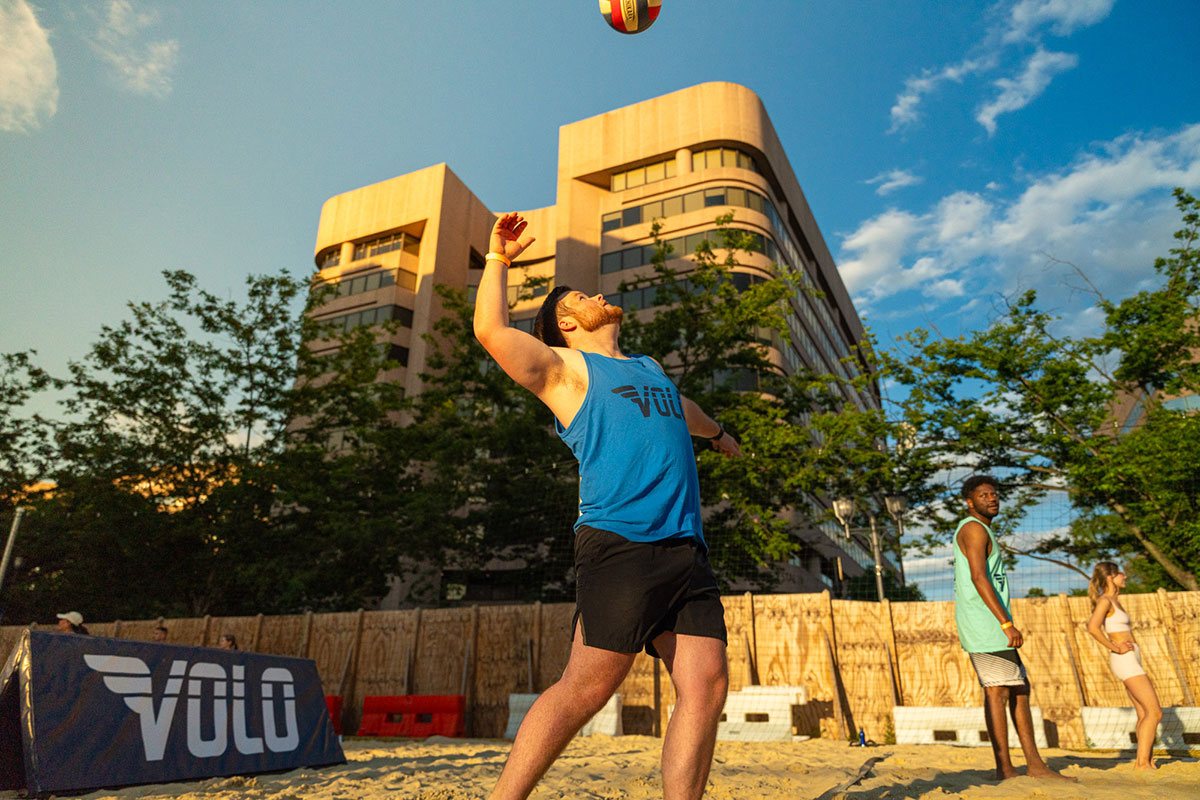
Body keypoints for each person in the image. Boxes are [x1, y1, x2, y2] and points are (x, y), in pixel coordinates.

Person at [474, 213, 741, 800]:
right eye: (580, 296)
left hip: (685, 550)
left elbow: (682, 405)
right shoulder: (563, 370)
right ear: (567, 322)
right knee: (588, 688)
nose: (598, 295)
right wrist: (498, 259)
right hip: (621, 544)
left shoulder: (648, 369)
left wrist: (717, 435)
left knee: (706, 684)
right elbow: (492, 332)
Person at [953, 475, 1073, 782]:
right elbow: (980, 578)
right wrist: (1005, 623)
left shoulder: (982, 529)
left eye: (994, 494)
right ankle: (1006, 769)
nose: (992, 498)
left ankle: (1033, 764)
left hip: (991, 624)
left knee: (1019, 688)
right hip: (986, 625)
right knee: (997, 692)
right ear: (970, 502)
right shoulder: (972, 529)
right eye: (983, 495)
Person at [1086, 562, 1162, 770]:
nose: (1125, 576)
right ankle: (1141, 763)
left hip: (1131, 658)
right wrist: (1115, 648)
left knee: (1144, 713)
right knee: (1155, 712)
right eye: (1120, 573)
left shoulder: (1114, 600)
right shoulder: (1105, 600)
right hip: (1125, 660)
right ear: (1110, 577)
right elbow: (1092, 628)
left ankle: (1144, 761)